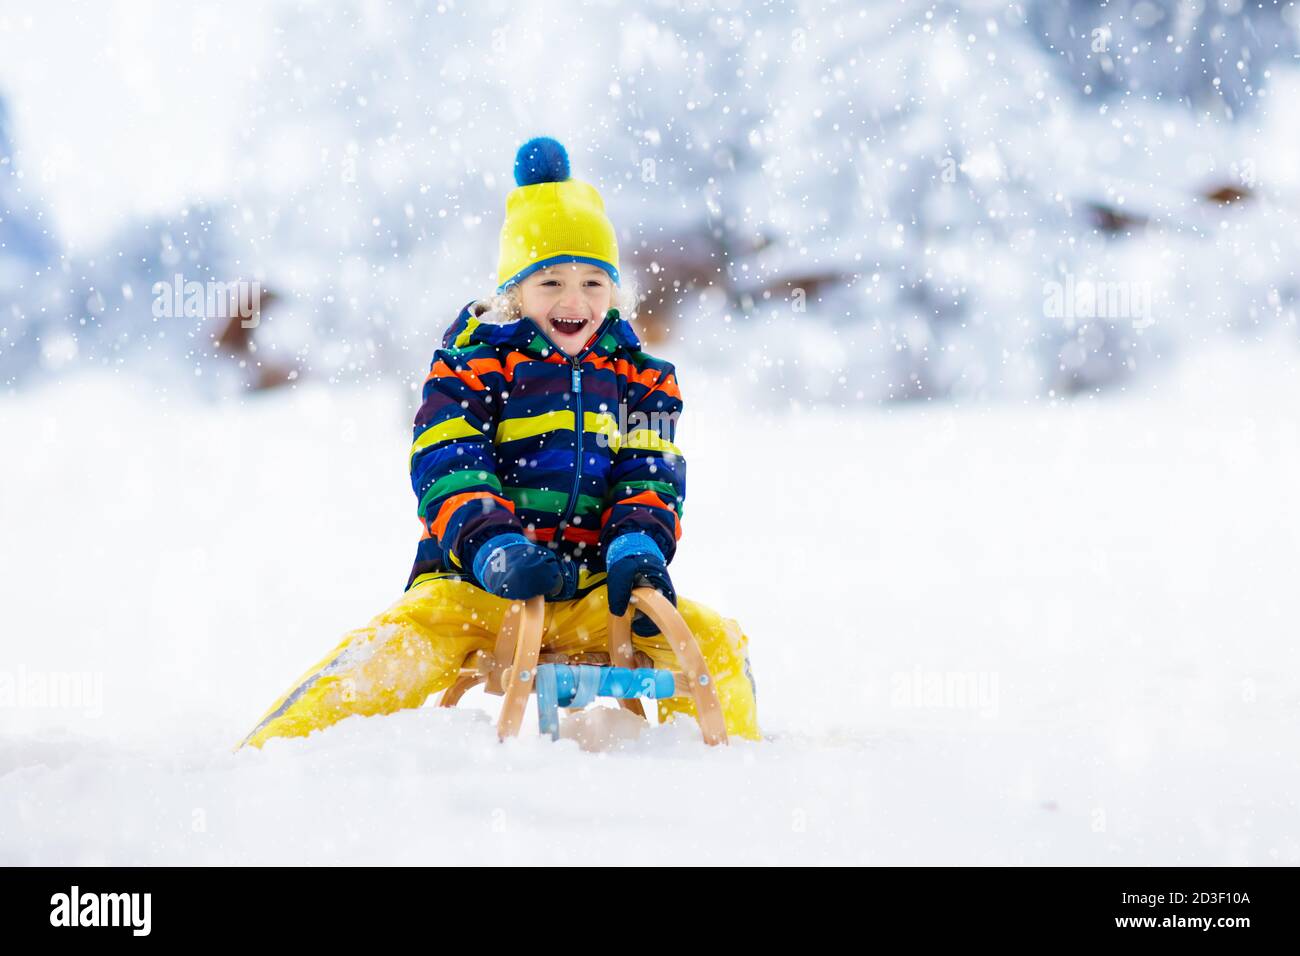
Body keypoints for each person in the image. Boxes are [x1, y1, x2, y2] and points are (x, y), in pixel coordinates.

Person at [238, 137, 759, 749]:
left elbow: (653, 469)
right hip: (476, 584)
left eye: (594, 282)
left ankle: (734, 769)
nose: (575, 301)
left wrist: (638, 544)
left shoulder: (643, 378)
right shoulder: (474, 362)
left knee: (713, 641)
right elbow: (447, 455)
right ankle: (279, 748)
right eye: (551, 282)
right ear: (516, 290)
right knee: (396, 651)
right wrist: (492, 544)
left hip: (594, 591)